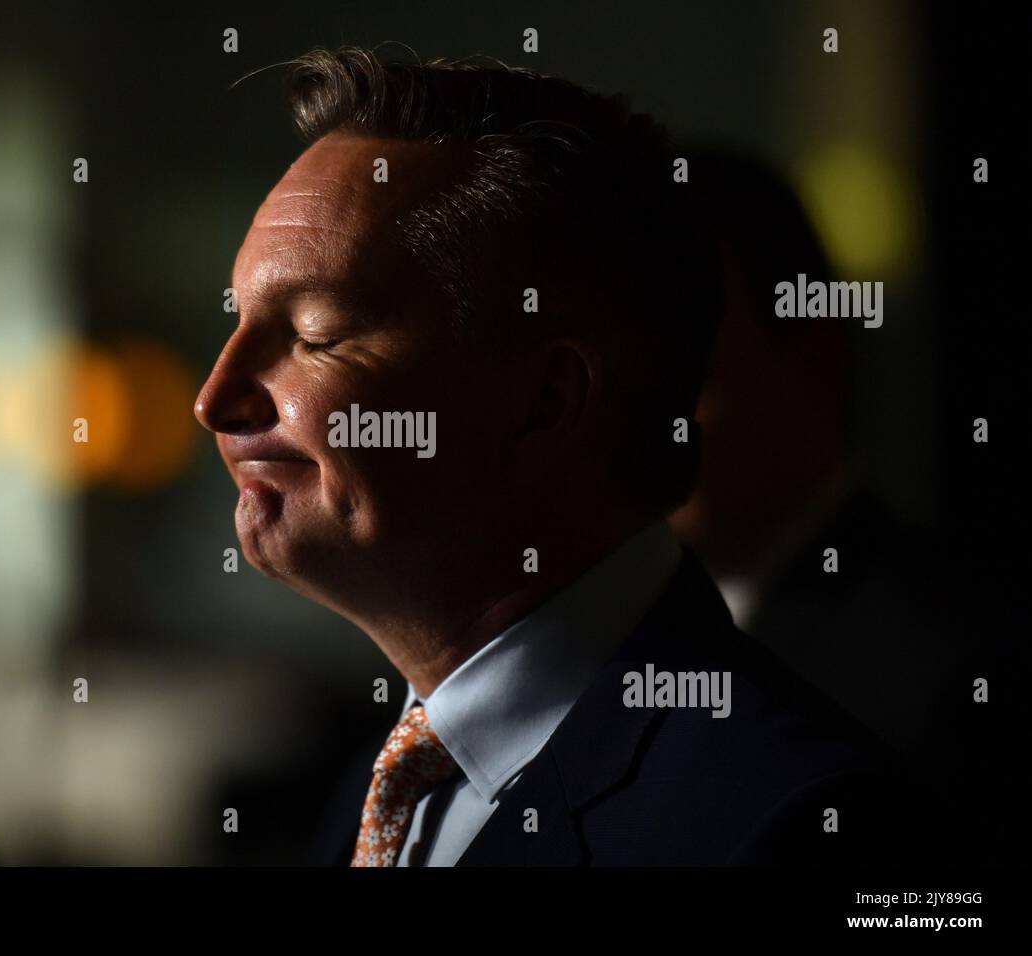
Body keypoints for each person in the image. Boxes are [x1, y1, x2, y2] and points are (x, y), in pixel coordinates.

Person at [194, 46, 917, 866]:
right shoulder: (381, 788)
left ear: (544, 404)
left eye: (315, 333)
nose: (214, 400)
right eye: (238, 323)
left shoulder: (794, 826)